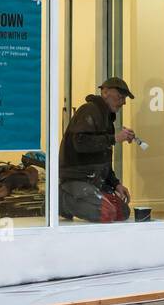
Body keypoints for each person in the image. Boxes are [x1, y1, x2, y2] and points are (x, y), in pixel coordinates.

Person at [58, 77, 137, 222]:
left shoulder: (106, 119)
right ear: (105, 92)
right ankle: (63, 199)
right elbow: (80, 143)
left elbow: (103, 160)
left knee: (122, 212)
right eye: (120, 97)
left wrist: (116, 184)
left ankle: (85, 198)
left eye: (124, 98)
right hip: (77, 179)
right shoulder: (89, 110)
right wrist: (114, 138)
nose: (123, 102)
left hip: (93, 181)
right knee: (106, 212)